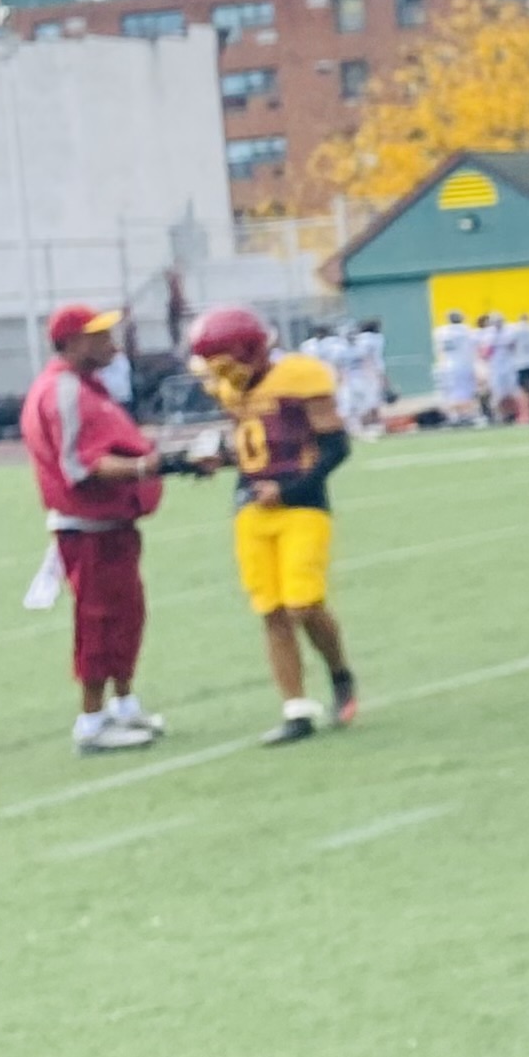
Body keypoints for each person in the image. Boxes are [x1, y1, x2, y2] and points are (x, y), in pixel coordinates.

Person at [185, 305, 359, 743]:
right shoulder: (229, 389)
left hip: (302, 505)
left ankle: (339, 673)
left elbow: (337, 447)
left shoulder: (300, 377)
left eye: (225, 362)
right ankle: (296, 709)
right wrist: (220, 458)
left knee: (304, 603)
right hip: (250, 508)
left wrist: (290, 489)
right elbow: (253, 443)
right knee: (271, 610)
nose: (221, 374)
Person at [21, 302, 169, 752]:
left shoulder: (86, 386)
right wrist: (147, 466)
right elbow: (80, 465)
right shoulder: (65, 391)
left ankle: (122, 705)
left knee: (126, 615)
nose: (110, 341)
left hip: (110, 525)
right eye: (99, 334)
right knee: (99, 621)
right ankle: (92, 719)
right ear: (72, 342)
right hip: (89, 529)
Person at [432, 310, 484, 425]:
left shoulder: (441, 332)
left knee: (452, 392)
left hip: (447, 365)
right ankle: (467, 415)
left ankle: (455, 416)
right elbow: (477, 343)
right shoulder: (466, 331)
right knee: (467, 392)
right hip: (464, 364)